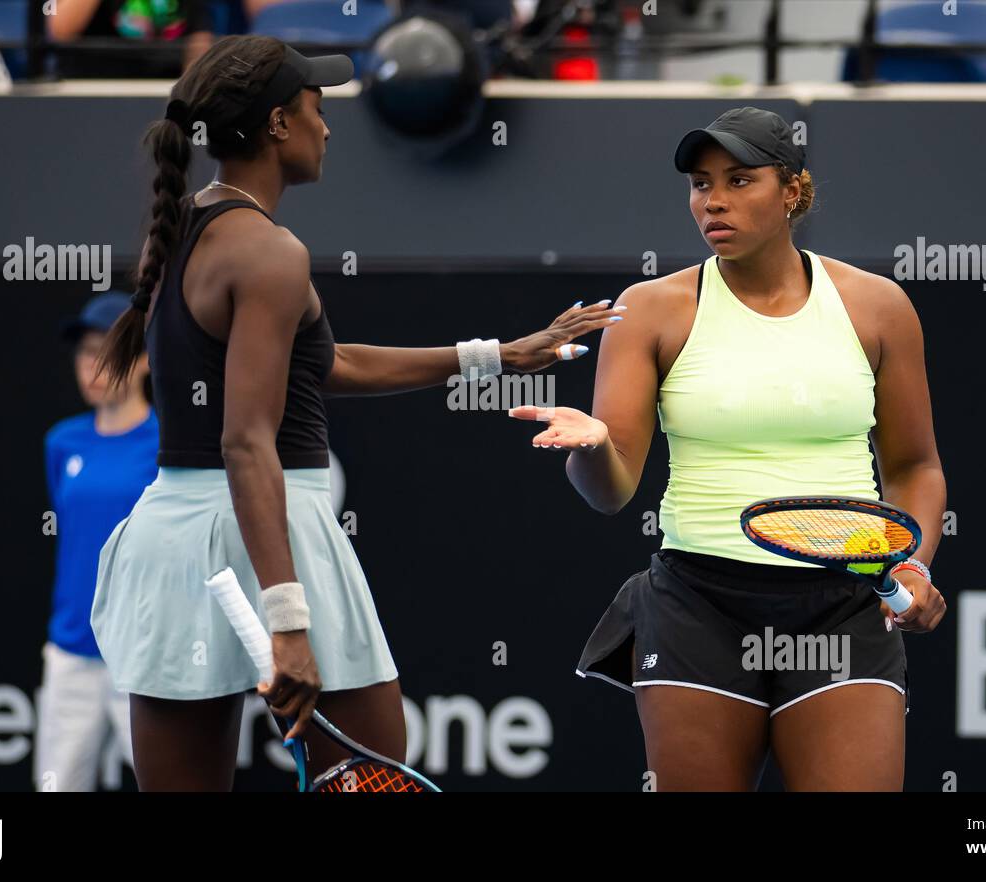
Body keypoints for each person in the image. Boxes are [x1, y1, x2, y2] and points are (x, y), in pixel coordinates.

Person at [89, 34, 622, 790]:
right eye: (316, 106)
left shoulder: (181, 227)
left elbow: (323, 365)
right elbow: (246, 442)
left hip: (173, 541)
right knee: (378, 779)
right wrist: (288, 621)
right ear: (279, 124)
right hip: (276, 530)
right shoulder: (270, 252)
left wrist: (496, 355)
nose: (328, 126)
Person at [510, 107, 948, 791]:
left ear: (792, 191)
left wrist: (913, 569)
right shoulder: (649, 309)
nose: (712, 200)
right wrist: (593, 448)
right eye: (700, 183)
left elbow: (914, 466)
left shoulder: (878, 307)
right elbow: (610, 492)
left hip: (845, 601)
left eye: (739, 180)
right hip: (696, 607)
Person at [36, 291, 156, 791]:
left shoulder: (171, 444)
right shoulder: (62, 442)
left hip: (146, 654)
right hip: (72, 649)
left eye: (108, 351)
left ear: (145, 360)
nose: (93, 365)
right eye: (86, 352)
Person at [47, 0, 214, 79]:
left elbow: (199, 39)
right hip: (91, 89)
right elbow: (61, 31)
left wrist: (186, 98)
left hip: (163, 92)